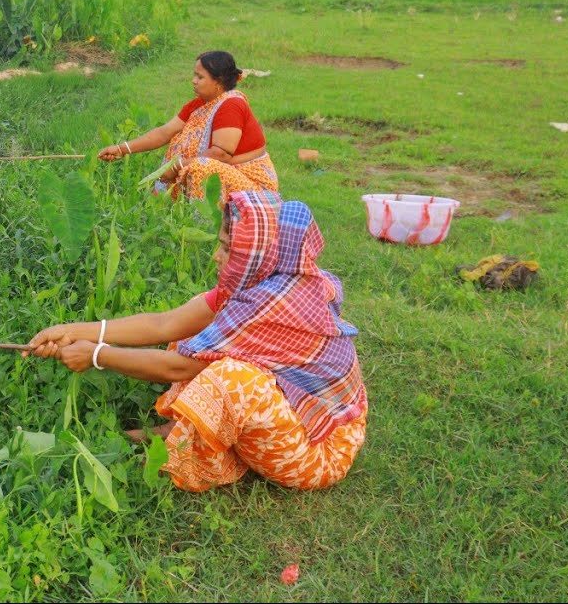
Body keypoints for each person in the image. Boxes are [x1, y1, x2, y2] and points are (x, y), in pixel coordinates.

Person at [24, 190, 367, 492]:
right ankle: (175, 429)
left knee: (232, 379)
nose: (217, 256)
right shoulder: (262, 281)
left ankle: (183, 449)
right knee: (197, 334)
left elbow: (177, 368)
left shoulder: (276, 303)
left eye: (229, 249)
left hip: (320, 449)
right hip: (298, 420)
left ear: (260, 255)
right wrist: (74, 330)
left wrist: (96, 355)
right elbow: (166, 324)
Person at [98, 51, 278, 200]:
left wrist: (177, 167)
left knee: (200, 167)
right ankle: (175, 211)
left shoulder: (231, 105)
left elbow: (220, 154)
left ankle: (205, 225)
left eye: (200, 77)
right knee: (186, 150)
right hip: (223, 174)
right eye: (195, 75)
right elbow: (164, 133)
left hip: (251, 186)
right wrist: (121, 149)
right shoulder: (199, 104)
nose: (194, 81)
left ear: (218, 81)